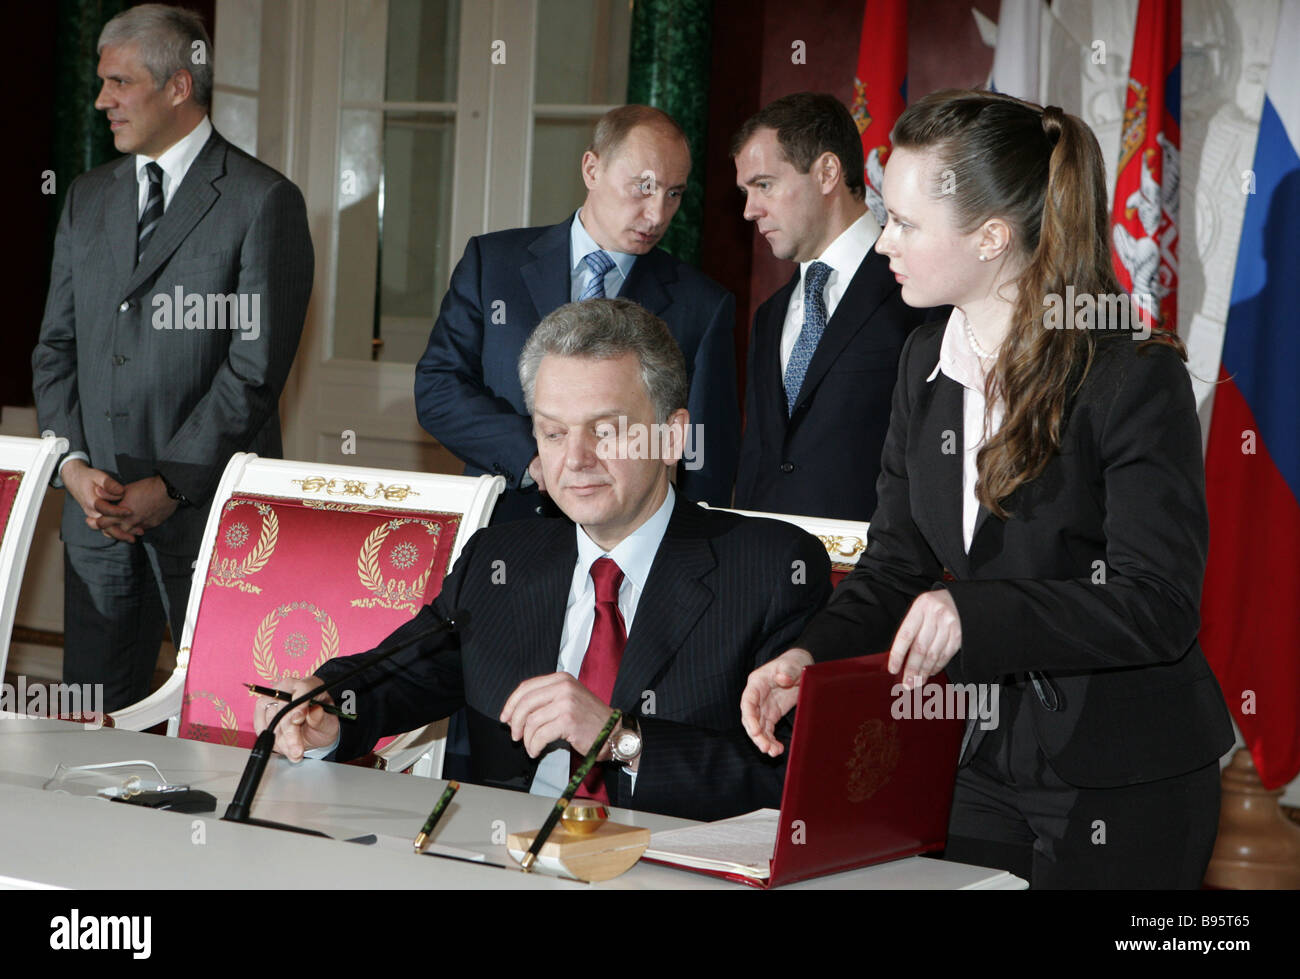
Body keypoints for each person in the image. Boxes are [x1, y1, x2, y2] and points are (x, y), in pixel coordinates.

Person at [740, 90, 1233, 888]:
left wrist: (974, 611)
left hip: (1127, 771)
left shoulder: (1133, 375)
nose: (881, 243)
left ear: (992, 236)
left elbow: (1159, 604)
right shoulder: (922, 361)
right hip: (975, 754)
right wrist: (808, 656)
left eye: (904, 223)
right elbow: (897, 563)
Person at [258, 299, 830, 822]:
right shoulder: (501, 560)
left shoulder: (769, 571)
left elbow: (788, 779)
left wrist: (620, 738)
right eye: (553, 433)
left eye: (605, 431)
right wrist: (326, 711)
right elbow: (394, 678)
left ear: (673, 437)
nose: (575, 460)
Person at [32, 5, 314, 712]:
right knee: (86, 724)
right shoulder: (86, 199)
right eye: (100, 83)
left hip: (210, 519)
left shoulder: (263, 201)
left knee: (220, 725)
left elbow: (253, 370)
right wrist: (73, 465)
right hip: (95, 522)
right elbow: (55, 349)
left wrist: (169, 483)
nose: (102, 102)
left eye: (119, 83)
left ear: (179, 87)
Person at [415, 105, 739, 522]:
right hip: (506, 529)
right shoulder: (493, 264)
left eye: (673, 193)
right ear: (591, 169)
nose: (658, 214)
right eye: (643, 187)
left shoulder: (704, 304)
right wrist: (536, 456)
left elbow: (704, 454)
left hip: (632, 550)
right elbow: (438, 388)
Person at [731, 93, 939, 521]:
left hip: (877, 576)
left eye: (764, 185)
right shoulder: (769, 315)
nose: (750, 210)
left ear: (827, 172)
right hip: (768, 571)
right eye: (745, 192)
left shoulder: (919, 292)